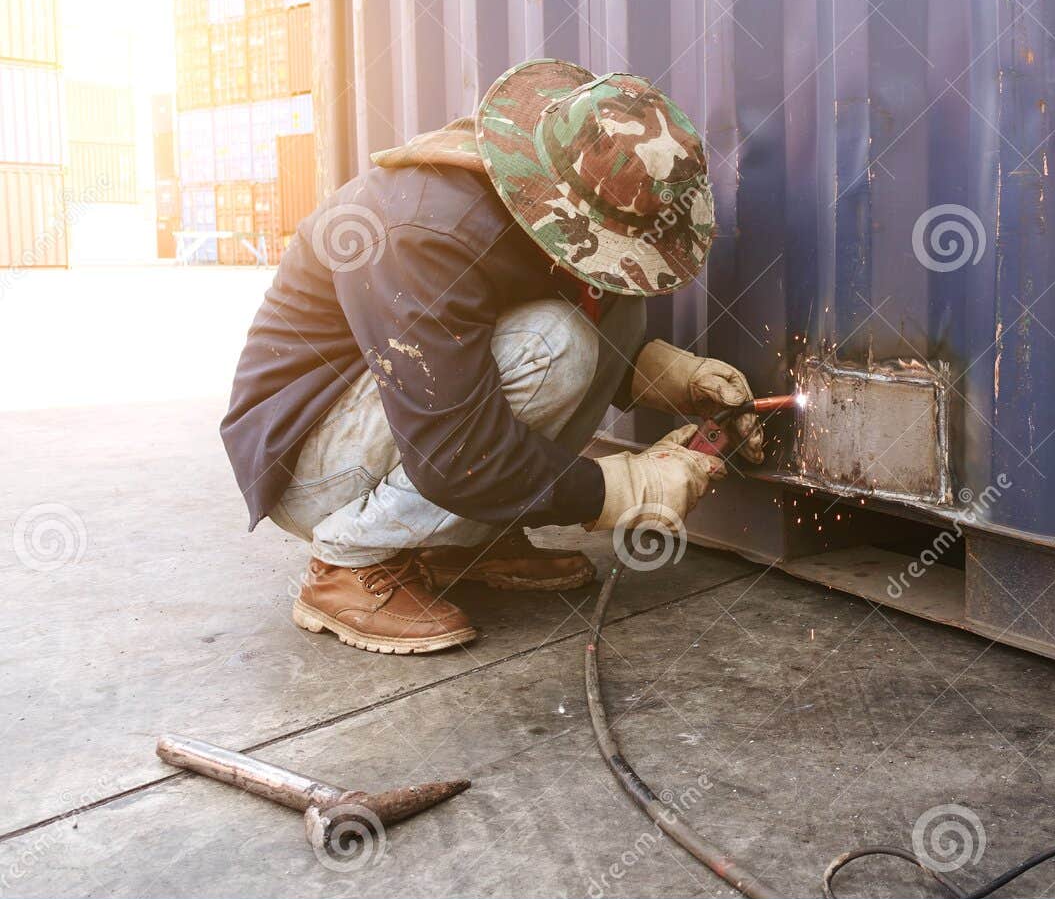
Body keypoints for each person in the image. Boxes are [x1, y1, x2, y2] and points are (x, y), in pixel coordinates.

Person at [221, 59, 762, 655]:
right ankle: (348, 561)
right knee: (557, 339)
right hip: (309, 464)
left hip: (417, 432)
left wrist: (669, 377)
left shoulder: (531, 197)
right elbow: (458, 454)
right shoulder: (425, 233)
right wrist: (629, 487)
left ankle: (458, 540)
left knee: (617, 308)